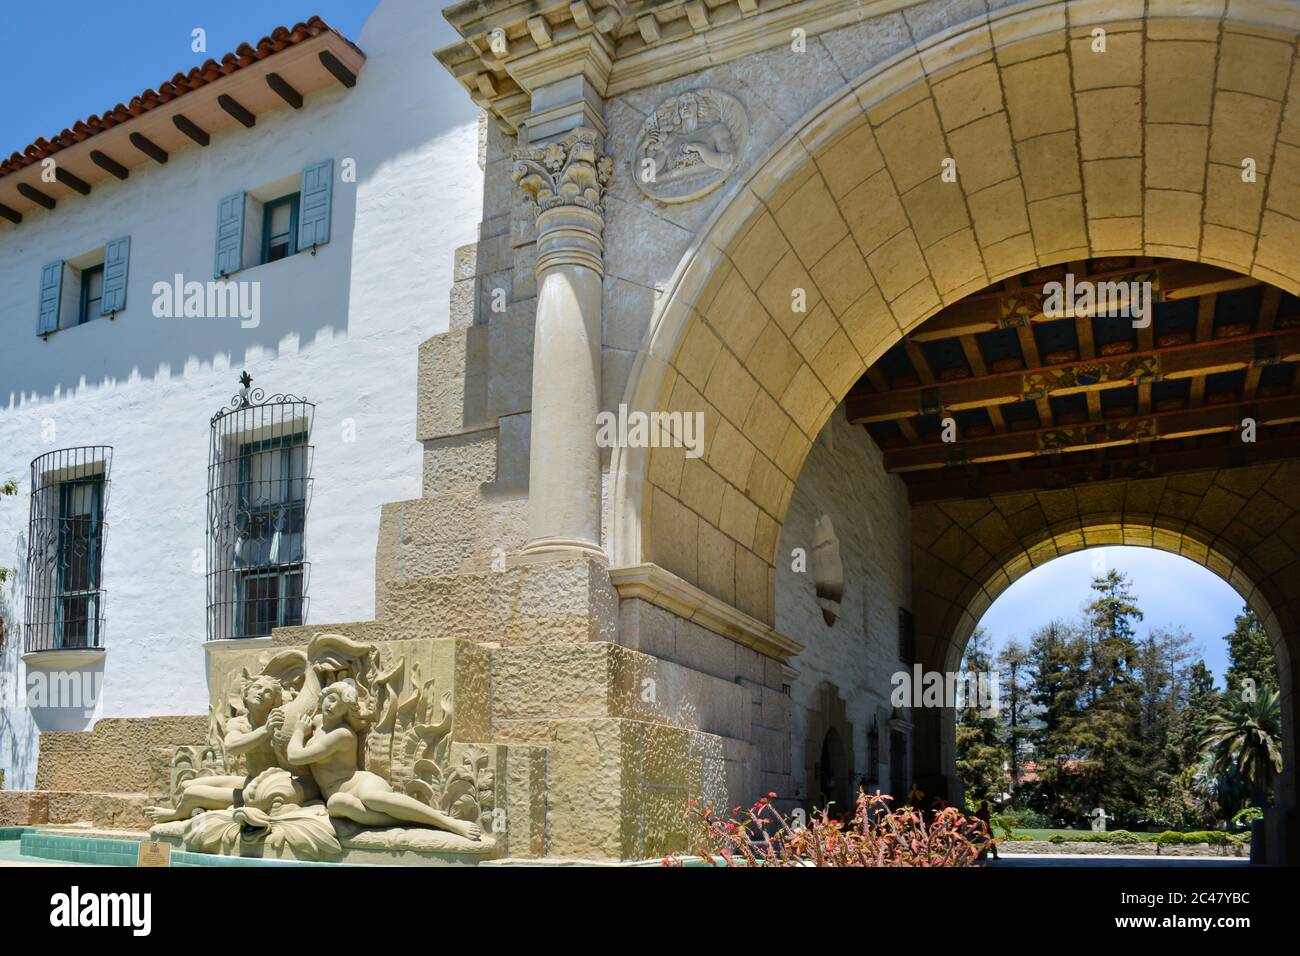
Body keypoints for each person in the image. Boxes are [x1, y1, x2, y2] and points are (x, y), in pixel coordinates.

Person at [287, 680, 481, 841]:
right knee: (337, 803)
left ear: (346, 712)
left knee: (373, 798)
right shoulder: (318, 722)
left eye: (341, 706)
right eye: (331, 700)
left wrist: (297, 731)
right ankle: (410, 820)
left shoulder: (342, 734)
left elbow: (295, 756)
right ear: (323, 698)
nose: (333, 707)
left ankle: (448, 823)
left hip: (359, 783)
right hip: (336, 794)